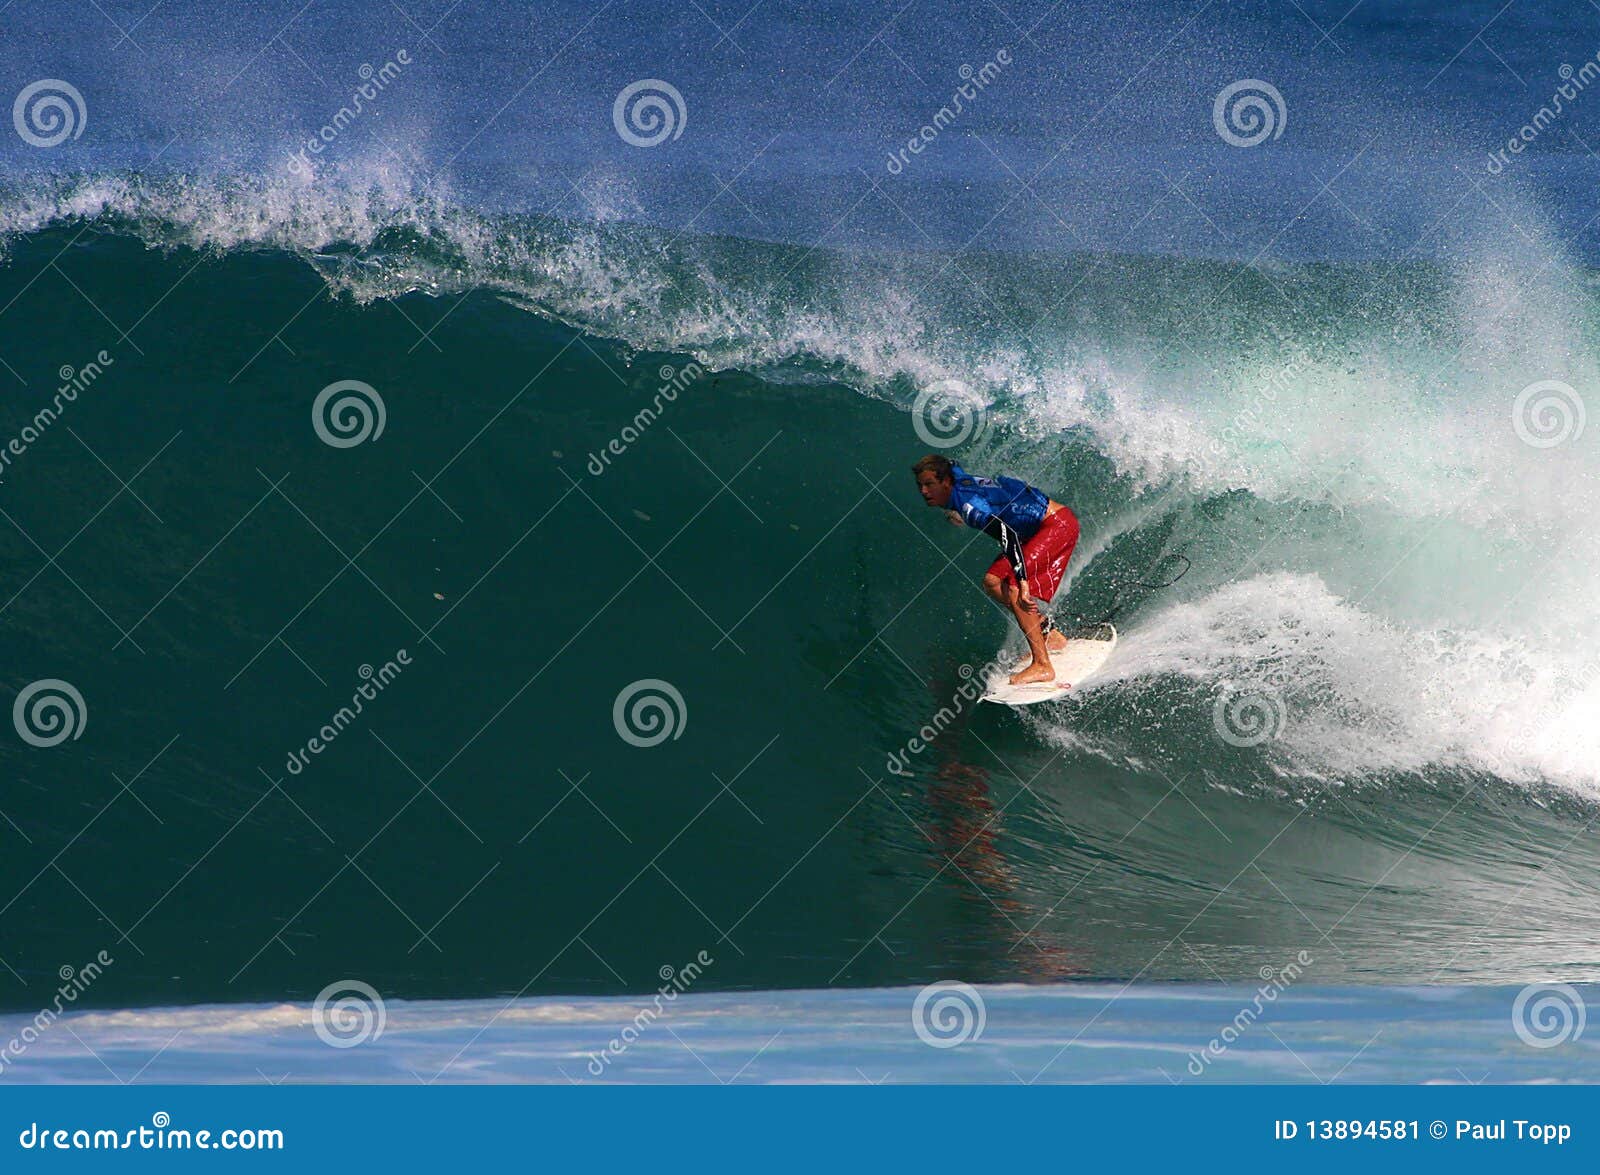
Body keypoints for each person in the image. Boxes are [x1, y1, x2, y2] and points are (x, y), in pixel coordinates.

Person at [912, 454, 1080, 685]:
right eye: (920, 485)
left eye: (929, 484)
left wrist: (1022, 582)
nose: (923, 491)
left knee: (1012, 588)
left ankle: (1043, 666)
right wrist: (950, 508)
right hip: (1033, 531)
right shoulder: (956, 479)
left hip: (1056, 525)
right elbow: (951, 463)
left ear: (946, 483)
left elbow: (1007, 535)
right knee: (992, 581)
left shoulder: (971, 507)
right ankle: (1050, 635)